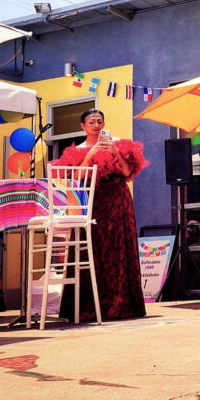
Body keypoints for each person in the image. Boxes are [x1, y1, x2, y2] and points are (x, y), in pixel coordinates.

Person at [57, 108, 148, 322]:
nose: (97, 125)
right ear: (83, 126)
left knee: (118, 248)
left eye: (100, 121)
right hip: (91, 202)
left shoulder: (119, 144)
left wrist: (115, 151)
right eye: (92, 122)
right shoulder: (78, 150)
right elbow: (77, 177)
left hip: (117, 201)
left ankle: (121, 305)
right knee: (92, 249)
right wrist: (91, 154)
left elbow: (127, 173)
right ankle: (88, 306)